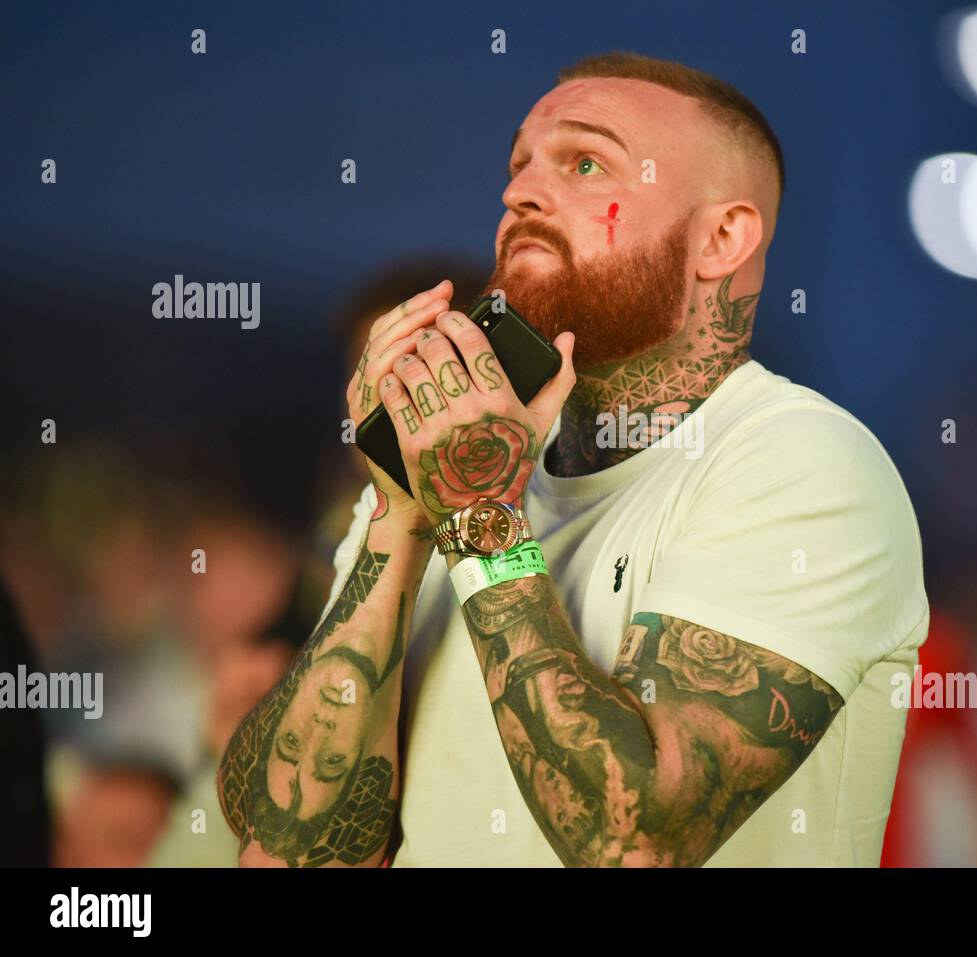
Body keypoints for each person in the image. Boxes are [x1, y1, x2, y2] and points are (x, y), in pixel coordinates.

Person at [220, 51, 928, 867]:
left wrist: (479, 517)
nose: (517, 192)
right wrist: (403, 514)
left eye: (585, 162)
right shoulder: (450, 471)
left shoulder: (801, 461)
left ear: (723, 237)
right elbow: (287, 846)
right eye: (518, 165)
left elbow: (637, 842)